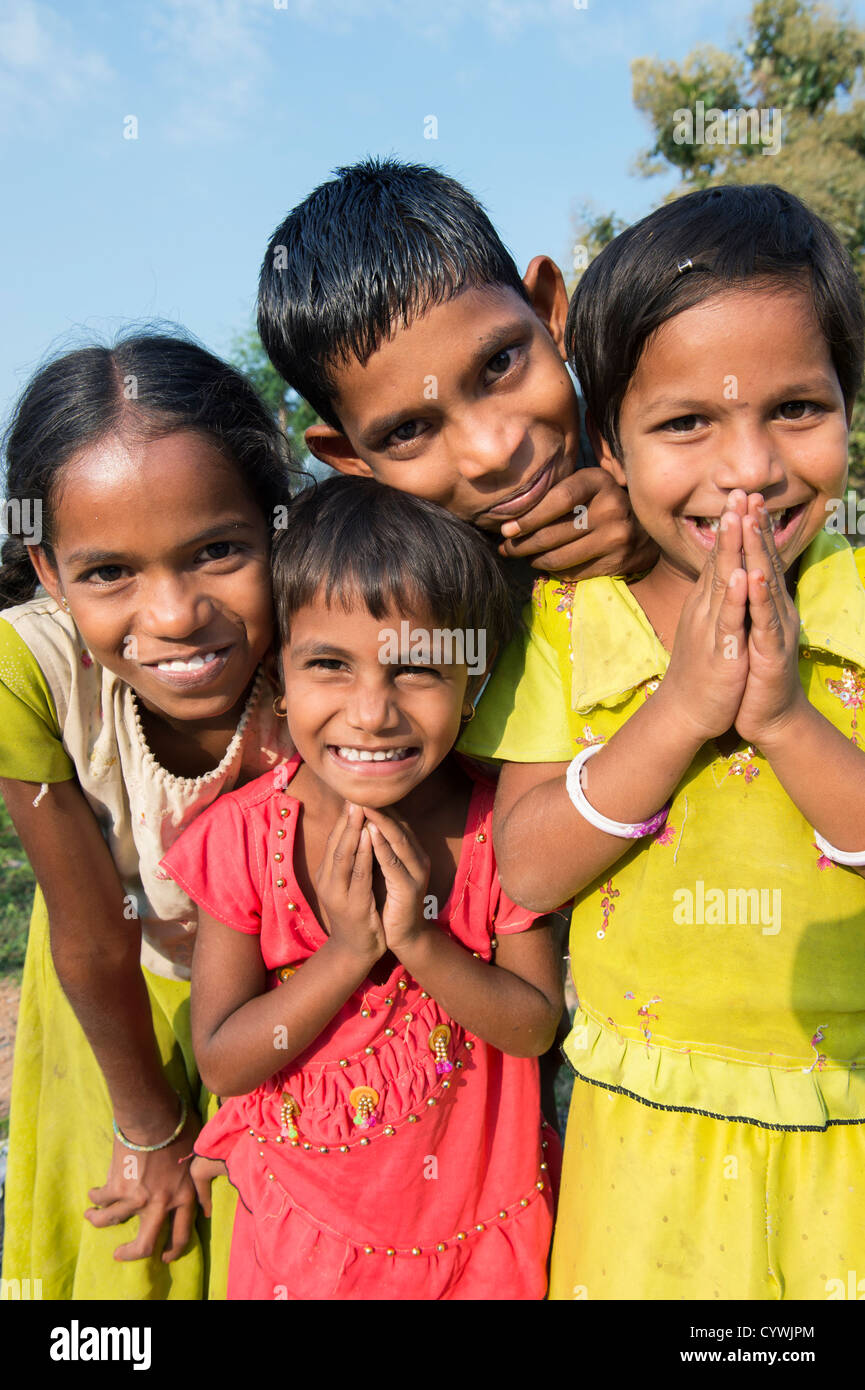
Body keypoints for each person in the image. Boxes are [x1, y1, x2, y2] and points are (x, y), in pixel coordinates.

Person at [467, 184, 865, 1299]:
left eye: (796, 408)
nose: (747, 467)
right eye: (685, 424)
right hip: (642, 1144)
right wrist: (681, 708)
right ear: (609, 443)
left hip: (846, 1122)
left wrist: (784, 720)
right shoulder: (568, 619)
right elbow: (529, 863)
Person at [160, 477, 563, 1299]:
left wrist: (419, 941)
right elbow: (226, 1061)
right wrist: (349, 952)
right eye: (329, 666)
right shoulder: (242, 839)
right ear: (278, 676)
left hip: (477, 1246)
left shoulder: (502, 829)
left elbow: (530, 1027)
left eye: (416, 669)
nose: (372, 713)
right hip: (301, 1249)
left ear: (472, 679)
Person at [0, 333, 297, 1298]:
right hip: (115, 1003)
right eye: (107, 573)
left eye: (217, 551)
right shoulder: (25, 671)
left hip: (293, 1000)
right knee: (137, 1264)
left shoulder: (333, 630)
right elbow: (91, 937)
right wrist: (153, 1128)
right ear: (47, 571)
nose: (172, 616)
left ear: (277, 528)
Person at [257, 156, 656, 581]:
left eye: (500, 364)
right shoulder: (357, 588)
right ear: (352, 457)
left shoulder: (666, 438)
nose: (492, 454)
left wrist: (659, 540)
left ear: (546, 313)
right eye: (407, 431)